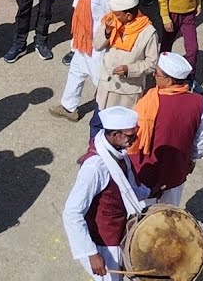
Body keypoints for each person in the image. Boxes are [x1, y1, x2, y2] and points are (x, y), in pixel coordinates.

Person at [62, 105, 148, 281]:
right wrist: (91, 254)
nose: (136, 138)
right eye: (131, 135)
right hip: (103, 244)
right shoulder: (94, 168)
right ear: (115, 135)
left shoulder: (117, 153)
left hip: (117, 233)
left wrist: (149, 192)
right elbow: (71, 213)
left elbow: (127, 187)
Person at [50, 0, 119, 122]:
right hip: (84, 37)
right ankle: (69, 106)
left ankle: (111, 115)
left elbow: (112, 15)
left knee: (100, 79)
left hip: (95, 42)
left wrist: (103, 39)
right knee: (76, 70)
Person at [131, 52, 203, 206]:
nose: (154, 76)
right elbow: (199, 137)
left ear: (169, 80)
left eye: (157, 73)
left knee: (141, 220)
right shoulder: (199, 102)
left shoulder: (147, 104)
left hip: (145, 171)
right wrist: (192, 160)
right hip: (176, 170)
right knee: (168, 217)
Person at [94, 0, 160, 116]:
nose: (113, 16)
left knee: (120, 130)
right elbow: (97, 45)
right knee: (97, 126)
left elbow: (152, 64)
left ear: (128, 15)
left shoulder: (148, 32)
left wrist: (129, 70)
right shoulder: (111, 21)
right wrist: (107, 32)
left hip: (126, 94)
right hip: (105, 88)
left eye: (118, 15)